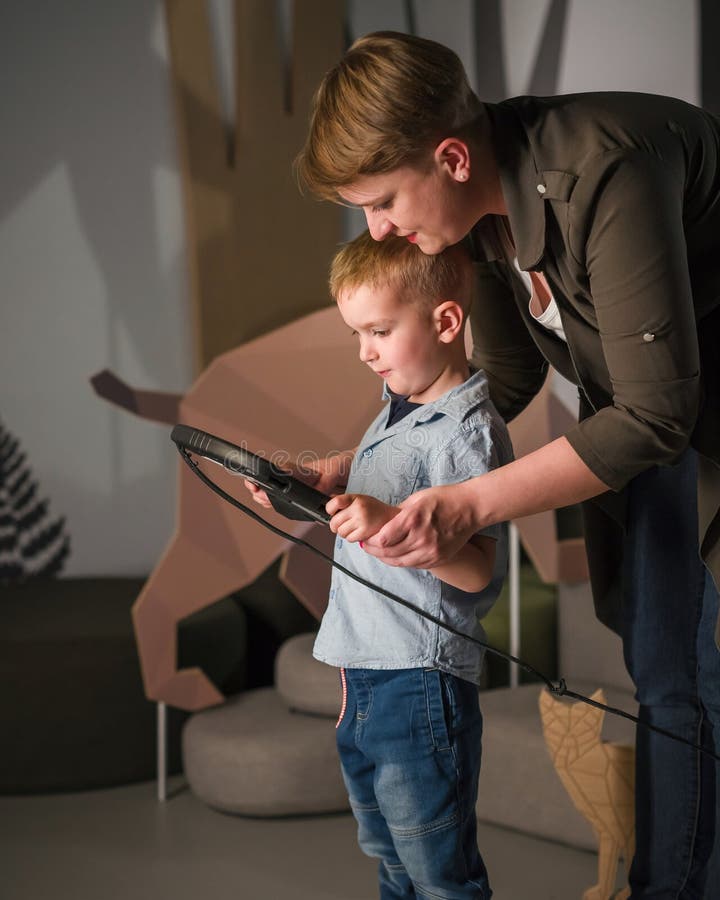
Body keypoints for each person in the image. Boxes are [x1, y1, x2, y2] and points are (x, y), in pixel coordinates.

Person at [295, 30, 720, 899]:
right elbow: (509, 375)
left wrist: (468, 505)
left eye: (381, 202)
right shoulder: (475, 216)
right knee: (665, 681)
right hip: (649, 432)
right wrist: (373, 459)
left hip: (676, 421)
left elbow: (655, 411)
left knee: (705, 682)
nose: (378, 230)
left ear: (450, 156)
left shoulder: (609, 172)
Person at [247, 229, 512, 898]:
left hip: (419, 679)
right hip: (363, 671)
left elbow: (482, 573)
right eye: (356, 334)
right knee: (390, 857)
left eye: (380, 331)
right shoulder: (399, 409)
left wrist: (388, 522)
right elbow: (368, 483)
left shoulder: (466, 432)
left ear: (446, 320)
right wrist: (315, 481)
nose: (365, 352)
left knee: (437, 871)